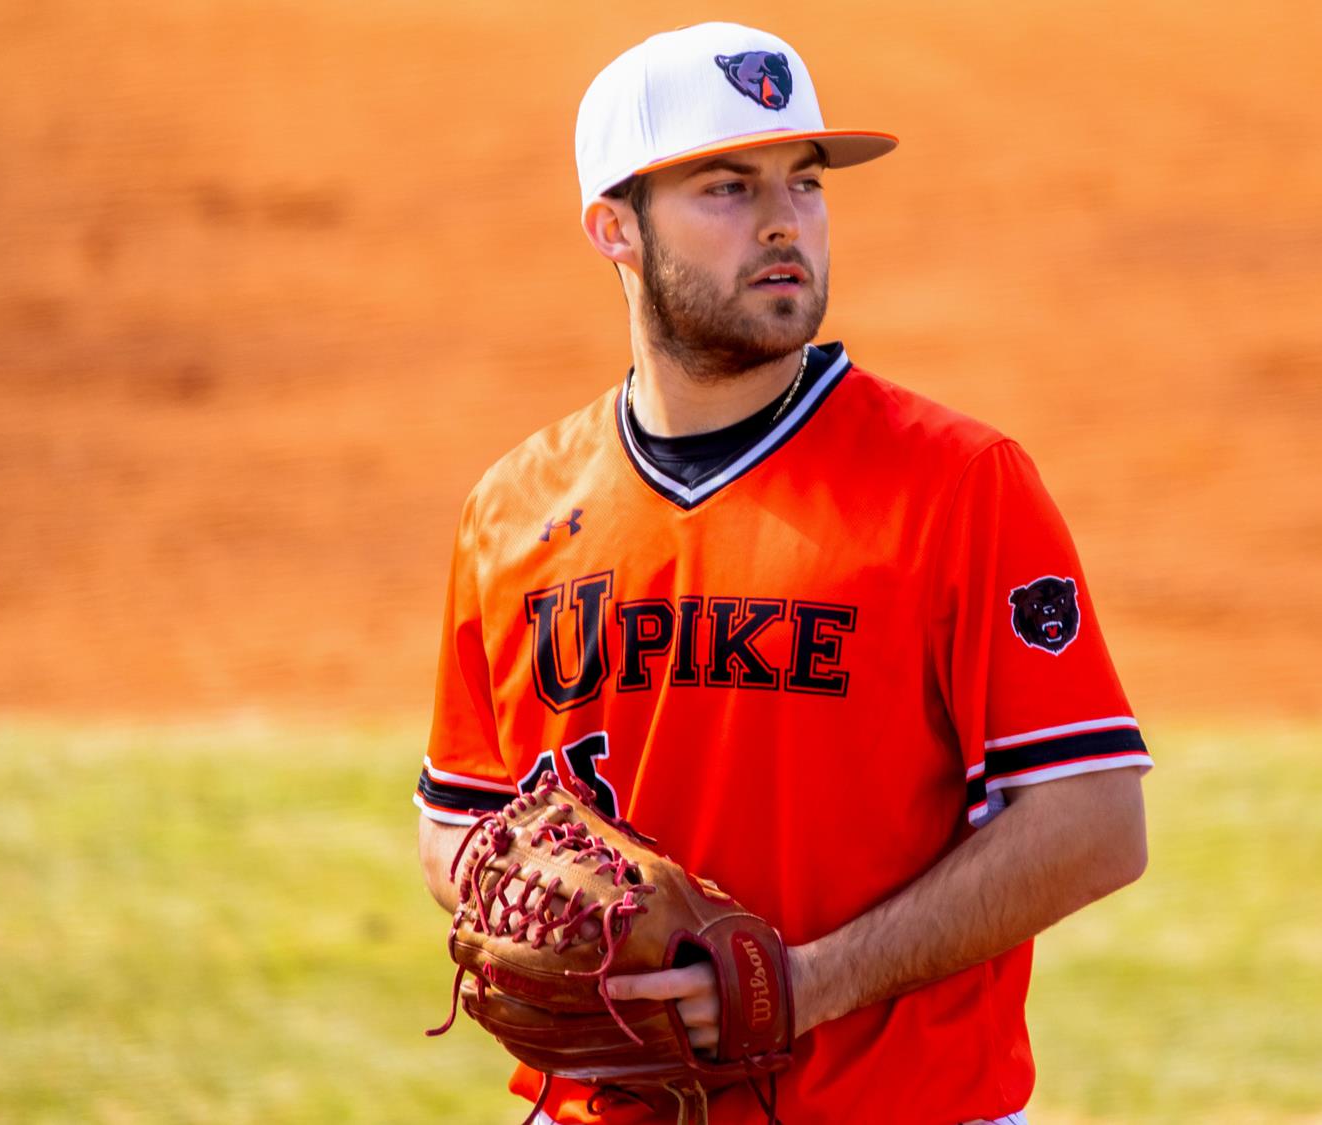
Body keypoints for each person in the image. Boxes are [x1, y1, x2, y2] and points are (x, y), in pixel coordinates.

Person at [416, 22, 1151, 1125]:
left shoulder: (957, 485)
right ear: (612, 229)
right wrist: (523, 904)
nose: (781, 222)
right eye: (725, 186)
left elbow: (1093, 818)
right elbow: (460, 814)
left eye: (802, 185)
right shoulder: (512, 512)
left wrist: (807, 984)